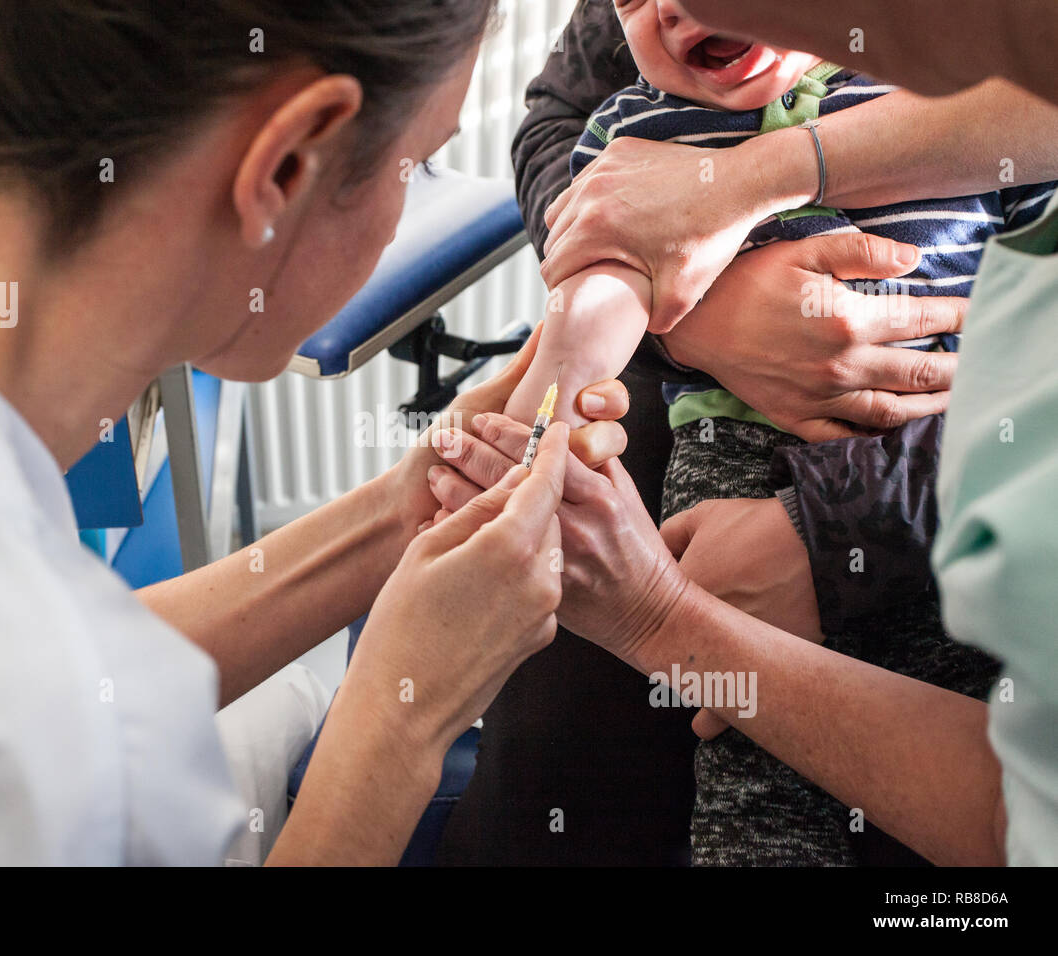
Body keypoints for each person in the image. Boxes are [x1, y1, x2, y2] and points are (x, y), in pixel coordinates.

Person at [0, 0, 636, 866]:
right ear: (288, 163)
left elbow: (27, 676)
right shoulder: (81, 768)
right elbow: (61, 710)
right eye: (421, 165)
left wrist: (398, 516)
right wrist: (404, 720)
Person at [431, 0, 1058, 866]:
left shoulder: (965, 84)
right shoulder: (641, 126)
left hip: (969, 451)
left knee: (972, 755)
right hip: (726, 458)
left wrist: (839, 522)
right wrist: (677, 318)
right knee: (723, 774)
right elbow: (587, 224)